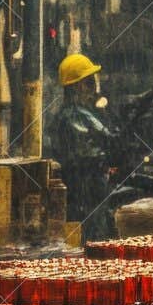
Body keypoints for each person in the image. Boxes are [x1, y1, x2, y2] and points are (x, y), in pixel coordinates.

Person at [46, 52, 121, 242]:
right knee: (94, 242)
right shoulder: (73, 117)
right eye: (89, 82)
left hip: (87, 196)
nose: (93, 88)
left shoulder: (78, 114)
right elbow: (90, 156)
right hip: (86, 196)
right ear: (78, 86)